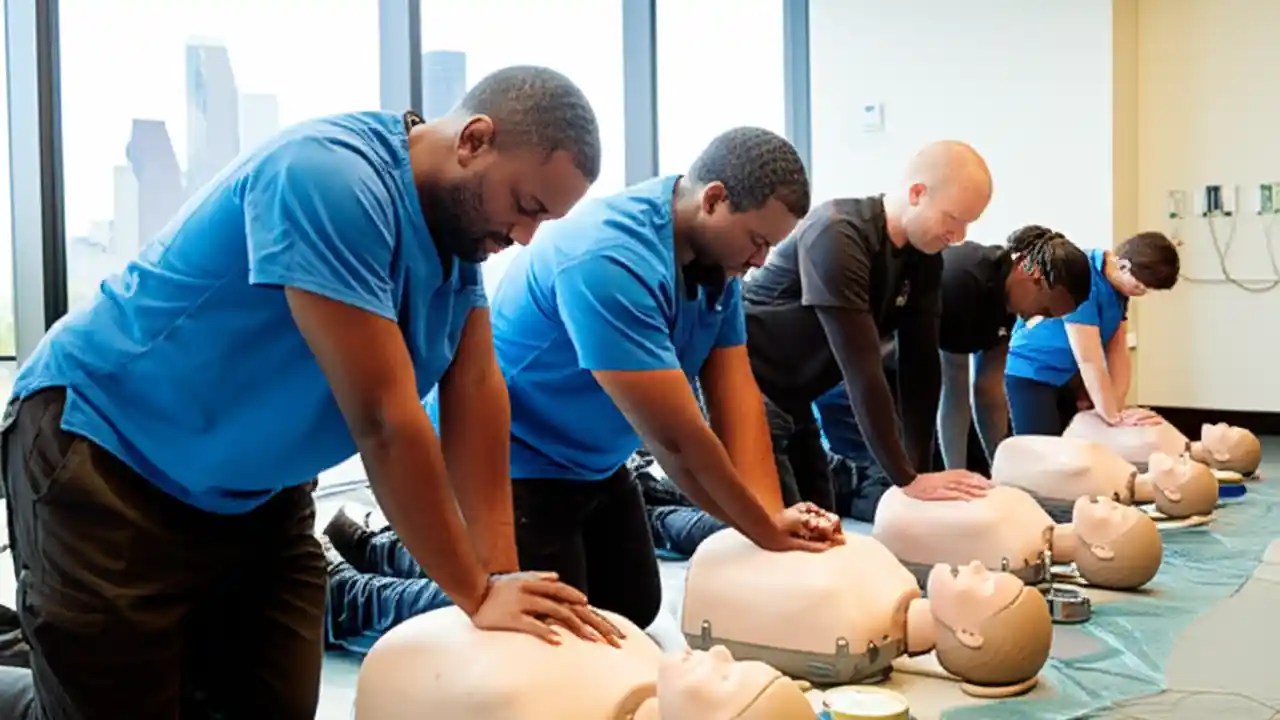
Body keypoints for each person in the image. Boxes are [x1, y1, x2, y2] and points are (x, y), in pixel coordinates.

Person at [0, 66, 621, 720]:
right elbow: (385, 422)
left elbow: (476, 389)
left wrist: (499, 575)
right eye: (526, 206)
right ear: (473, 140)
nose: (524, 237)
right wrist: (474, 590)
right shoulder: (330, 178)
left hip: (255, 495)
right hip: (109, 455)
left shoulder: (457, 241)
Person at [490, 127, 843, 630]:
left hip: (597, 459)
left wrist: (771, 514)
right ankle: (402, 560)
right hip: (514, 457)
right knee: (557, 630)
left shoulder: (718, 262)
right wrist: (763, 529)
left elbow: (737, 399)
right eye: (758, 241)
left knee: (632, 610)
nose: (762, 261)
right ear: (713, 199)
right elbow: (676, 441)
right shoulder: (607, 258)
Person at [742, 140, 996, 512]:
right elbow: (862, 370)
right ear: (917, 193)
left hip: (794, 398)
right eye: (954, 219)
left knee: (822, 519)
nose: (959, 236)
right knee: (783, 529)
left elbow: (921, 368)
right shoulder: (838, 232)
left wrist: (919, 474)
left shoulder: (924, 257)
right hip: (745, 387)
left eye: (968, 224)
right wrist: (906, 479)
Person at [935, 225, 1092, 468]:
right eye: (1044, 310)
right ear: (1032, 274)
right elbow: (953, 387)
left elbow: (988, 388)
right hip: (891, 367)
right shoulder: (963, 280)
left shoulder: (1010, 302)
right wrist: (954, 473)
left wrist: (1002, 468)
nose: (1033, 318)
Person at [1004, 230, 1180, 436]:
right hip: (1030, 371)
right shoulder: (1082, 275)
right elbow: (1088, 357)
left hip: (1064, 377)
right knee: (1040, 448)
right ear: (1124, 266)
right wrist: (1111, 415)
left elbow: (1117, 350)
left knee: (1068, 447)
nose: (1142, 292)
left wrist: (1118, 410)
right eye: (1140, 286)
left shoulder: (1117, 289)